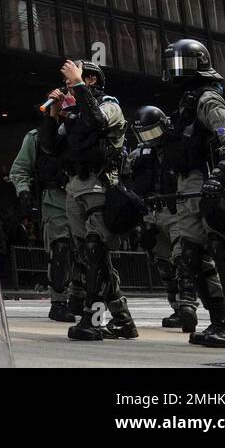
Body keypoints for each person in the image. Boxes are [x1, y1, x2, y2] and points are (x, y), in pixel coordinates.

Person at [162, 39, 225, 349]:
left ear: (199, 63)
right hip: (188, 188)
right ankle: (217, 321)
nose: (177, 69)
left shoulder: (208, 99)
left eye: (183, 62)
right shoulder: (188, 102)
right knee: (190, 254)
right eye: (173, 62)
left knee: (223, 249)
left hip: (209, 184)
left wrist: (220, 175)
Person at [52, 59, 136, 341]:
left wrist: (77, 87)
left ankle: (93, 319)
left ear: (90, 81)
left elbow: (98, 121)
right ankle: (123, 320)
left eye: (76, 79)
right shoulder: (75, 113)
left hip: (100, 184)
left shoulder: (110, 105)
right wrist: (52, 114)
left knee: (94, 250)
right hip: (76, 186)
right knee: (91, 257)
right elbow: (51, 147)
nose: (69, 84)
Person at [124, 106, 205, 333]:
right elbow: (129, 179)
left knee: (183, 259)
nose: (150, 139)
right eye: (145, 135)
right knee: (163, 264)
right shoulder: (140, 154)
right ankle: (178, 308)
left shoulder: (177, 145)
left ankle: (188, 304)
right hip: (151, 212)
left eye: (152, 133)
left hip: (175, 209)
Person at [9, 119, 82, 323]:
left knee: (87, 252)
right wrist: (23, 192)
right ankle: (58, 302)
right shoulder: (38, 137)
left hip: (84, 197)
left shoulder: (84, 130)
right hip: (55, 200)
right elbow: (20, 169)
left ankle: (80, 297)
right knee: (60, 249)